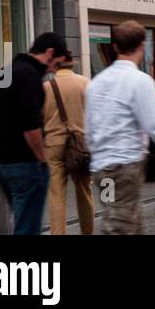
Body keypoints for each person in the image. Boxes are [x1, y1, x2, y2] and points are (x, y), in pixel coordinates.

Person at [85, 21, 155, 235]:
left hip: (102, 169)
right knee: (119, 225)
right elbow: (153, 124)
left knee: (122, 217)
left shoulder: (96, 83)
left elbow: (89, 128)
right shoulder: (140, 81)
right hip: (124, 168)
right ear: (142, 46)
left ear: (115, 47)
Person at [0, 32, 63, 235]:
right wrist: (41, 158)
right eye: (56, 64)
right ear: (49, 53)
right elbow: (30, 124)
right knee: (27, 228)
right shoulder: (29, 75)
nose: (52, 71)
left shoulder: (4, 73)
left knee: (22, 222)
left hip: (2, 162)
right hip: (25, 162)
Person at [43, 49, 94, 235]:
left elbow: (40, 119)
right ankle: (87, 232)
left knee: (56, 195)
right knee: (84, 191)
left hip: (53, 145)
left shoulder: (47, 87)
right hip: (80, 145)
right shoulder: (86, 83)